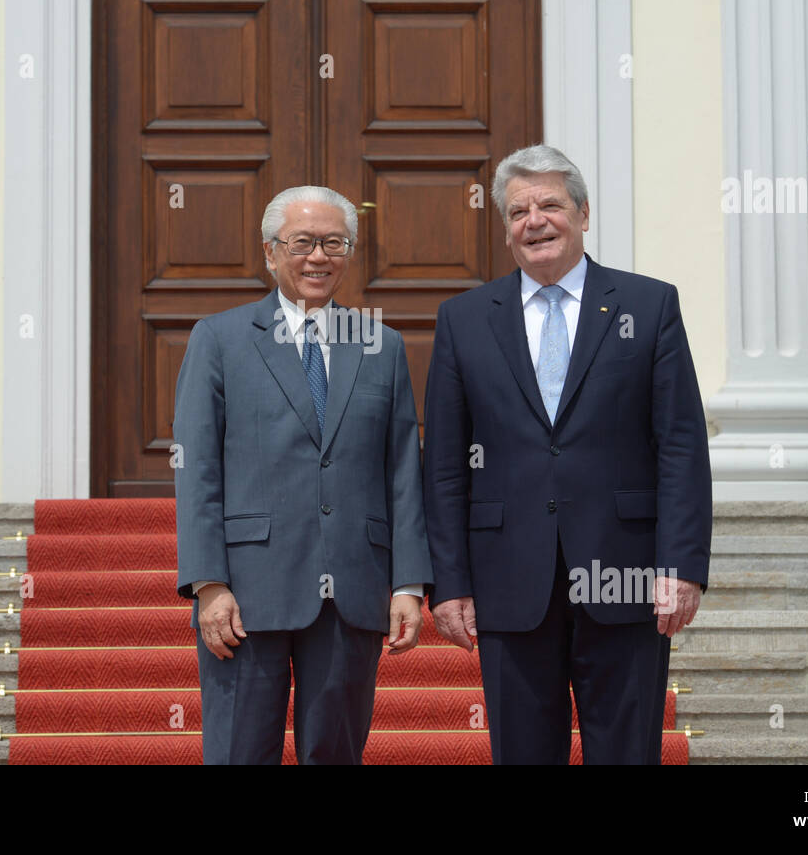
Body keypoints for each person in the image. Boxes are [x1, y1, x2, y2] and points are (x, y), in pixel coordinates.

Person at [422, 145, 712, 764]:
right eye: (519, 211)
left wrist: (681, 565)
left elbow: (681, 444)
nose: (536, 221)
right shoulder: (465, 319)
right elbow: (445, 464)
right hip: (506, 579)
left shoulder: (648, 305)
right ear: (506, 230)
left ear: (582, 213)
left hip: (627, 572)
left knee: (627, 752)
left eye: (550, 204)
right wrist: (448, 583)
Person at [172, 185, 432, 764]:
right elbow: (198, 472)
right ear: (270, 253)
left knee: (335, 752)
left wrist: (409, 584)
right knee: (241, 751)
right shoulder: (219, 339)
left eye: (334, 243)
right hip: (245, 591)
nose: (319, 257)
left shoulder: (381, 344)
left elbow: (402, 471)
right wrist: (207, 582)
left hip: (352, 589)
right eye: (303, 243)